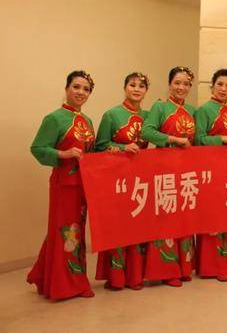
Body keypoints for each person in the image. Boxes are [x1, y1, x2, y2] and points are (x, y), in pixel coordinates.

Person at [27, 70, 96, 300]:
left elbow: (91, 154)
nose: (81, 92)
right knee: (66, 232)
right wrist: (64, 154)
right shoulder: (55, 118)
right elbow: (38, 148)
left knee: (74, 231)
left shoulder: (87, 121)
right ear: (67, 89)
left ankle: (44, 275)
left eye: (86, 89)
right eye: (76, 87)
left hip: (83, 185)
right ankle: (67, 285)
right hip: (64, 184)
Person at [141, 66, 197, 287]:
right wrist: (174, 139)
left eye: (186, 84)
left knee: (184, 217)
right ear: (169, 84)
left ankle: (184, 267)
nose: (181, 87)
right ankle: (166, 270)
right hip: (164, 169)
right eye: (177, 83)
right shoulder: (160, 107)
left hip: (186, 171)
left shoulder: (192, 110)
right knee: (166, 217)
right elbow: (147, 131)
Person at [95, 72, 151, 291]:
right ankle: (117, 277)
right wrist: (122, 148)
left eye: (141, 86)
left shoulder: (149, 116)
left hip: (141, 178)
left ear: (146, 91)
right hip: (117, 179)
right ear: (124, 87)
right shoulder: (112, 115)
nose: (136, 89)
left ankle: (136, 275)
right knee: (119, 225)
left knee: (138, 225)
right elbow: (100, 146)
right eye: (132, 85)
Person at [194, 68, 227, 281]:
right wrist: (221, 139)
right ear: (212, 86)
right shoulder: (204, 110)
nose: (223, 89)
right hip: (210, 170)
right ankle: (209, 266)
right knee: (211, 216)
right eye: (220, 84)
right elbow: (199, 139)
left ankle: (225, 264)